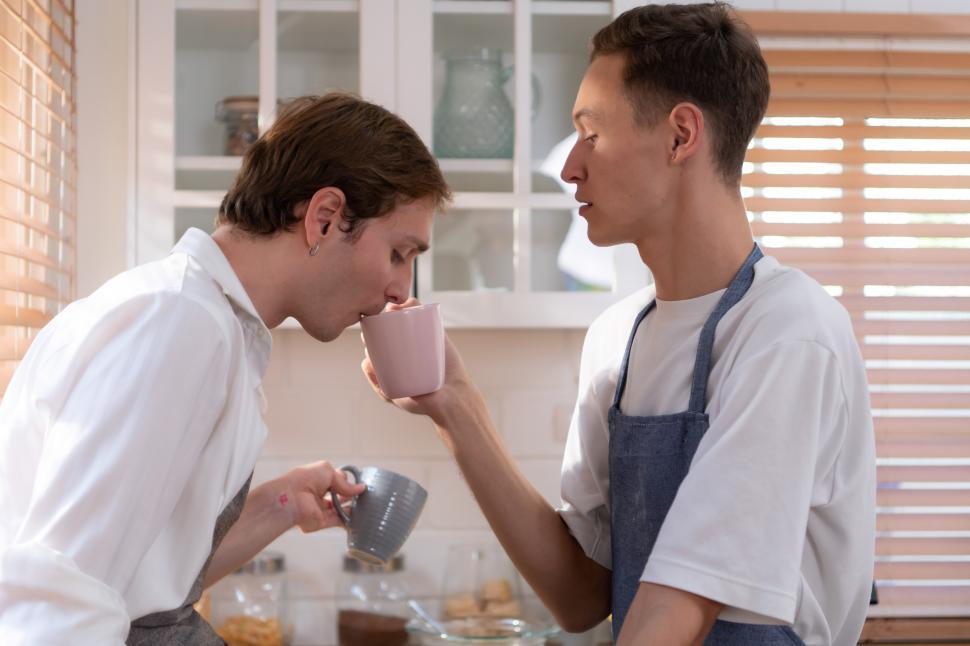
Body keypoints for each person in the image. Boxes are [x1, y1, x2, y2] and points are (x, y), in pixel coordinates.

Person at [363, 4, 875, 645]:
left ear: (681, 135)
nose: (570, 165)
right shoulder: (618, 337)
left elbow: (676, 609)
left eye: (591, 133)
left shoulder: (787, 332)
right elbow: (582, 596)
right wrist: (456, 408)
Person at [0, 92, 450, 644]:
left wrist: (281, 505)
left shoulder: (210, 325)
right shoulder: (178, 324)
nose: (400, 290)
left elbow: (148, 590)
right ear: (326, 218)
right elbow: (58, 600)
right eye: (399, 254)